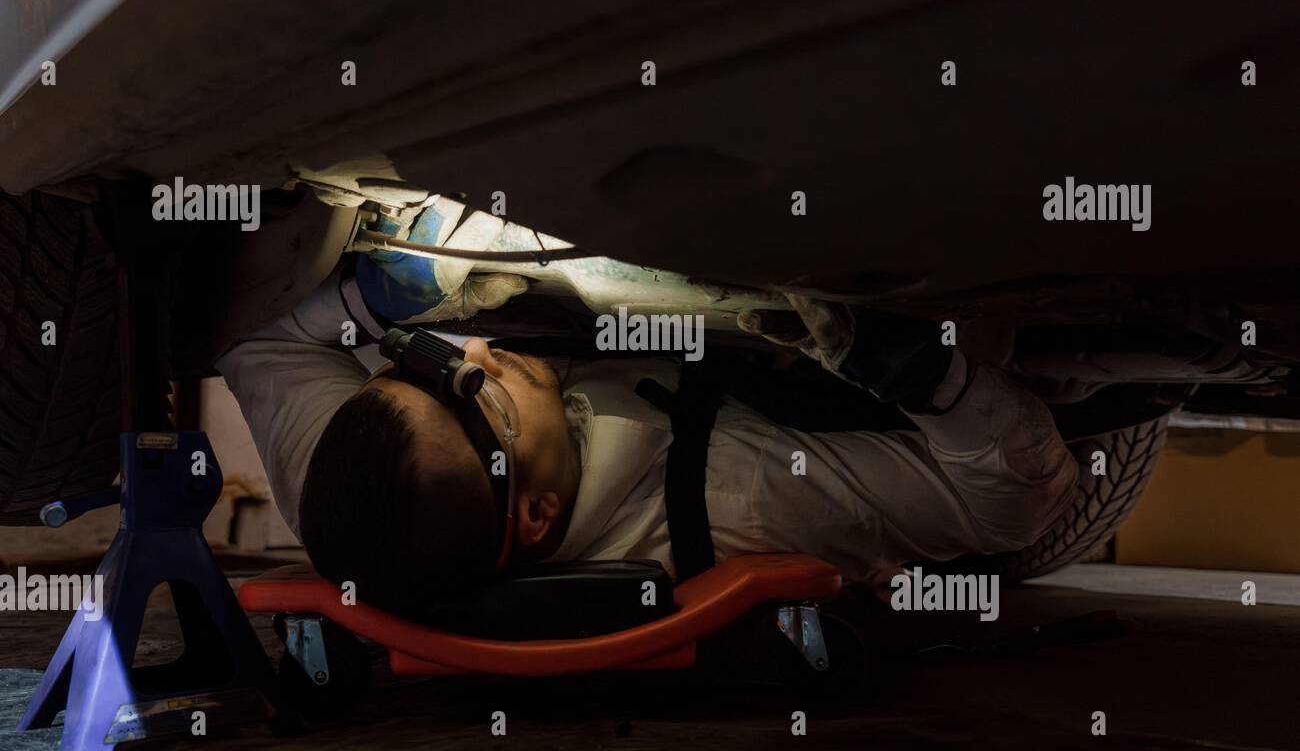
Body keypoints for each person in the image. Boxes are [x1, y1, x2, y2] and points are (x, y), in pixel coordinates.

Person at [217, 197, 1078, 619]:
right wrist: (929, 381)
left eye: (426, 366)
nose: (473, 351)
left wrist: (372, 302)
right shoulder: (739, 504)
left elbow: (255, 344)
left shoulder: (341, 480)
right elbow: (1012, 508)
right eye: (479, 393)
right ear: (541, 509)